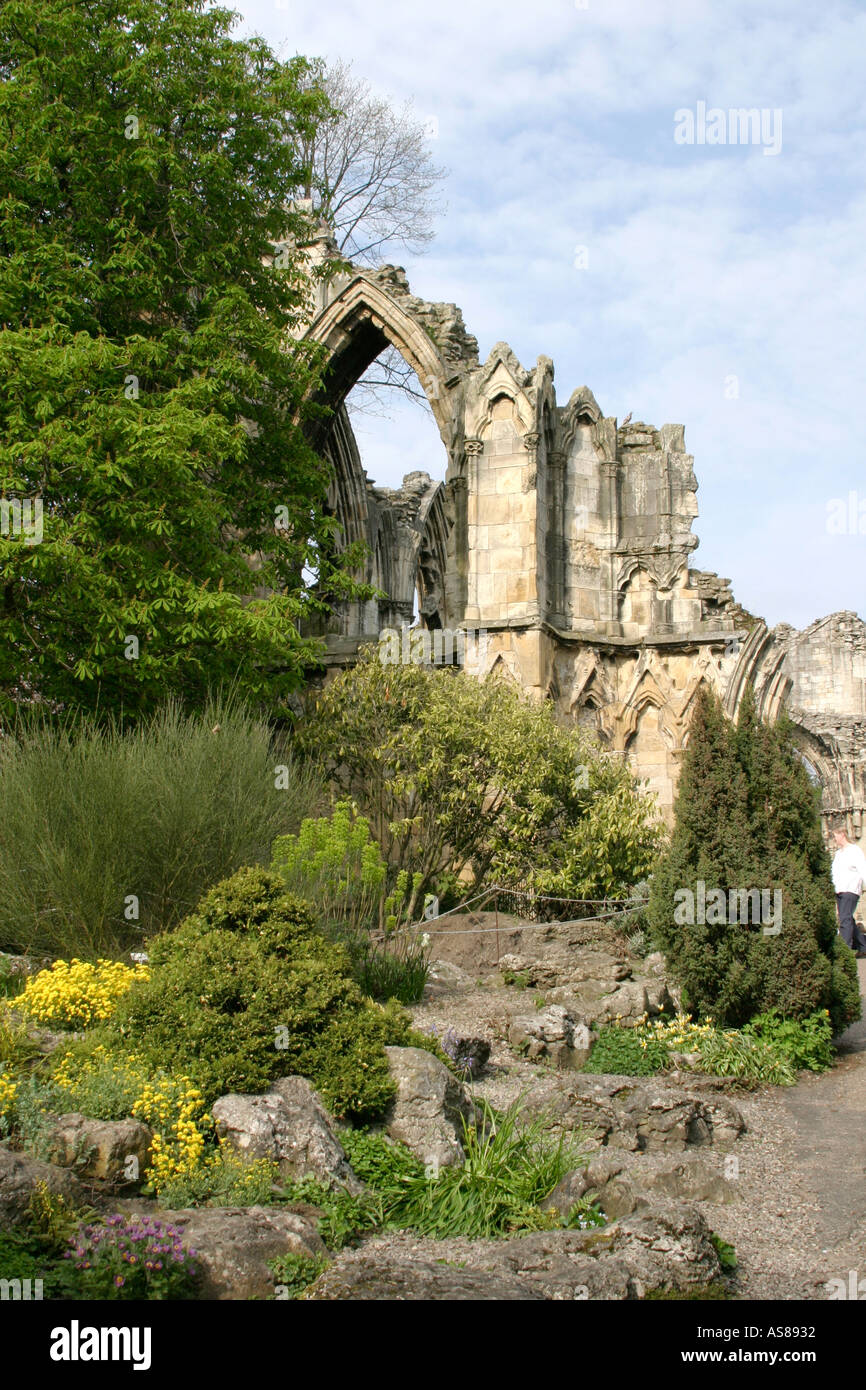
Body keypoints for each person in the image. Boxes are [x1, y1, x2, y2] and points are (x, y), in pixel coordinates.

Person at [831, 825, 866, 956]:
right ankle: (863, 947)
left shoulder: (854, 850)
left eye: (835, 836)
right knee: (848, 918)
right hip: (839, 889)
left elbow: (862, 869)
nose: (834, 839)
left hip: (850, 889)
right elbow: (834, 872)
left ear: (842, 835)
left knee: (844, 918)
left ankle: (844, 951)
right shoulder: (838, 854)